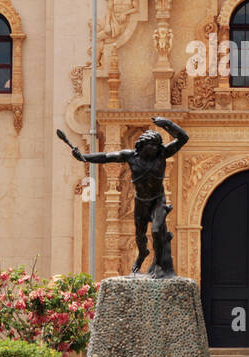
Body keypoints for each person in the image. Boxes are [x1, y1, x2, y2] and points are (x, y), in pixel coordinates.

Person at [65, 117, 189, 277]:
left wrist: (166, 123)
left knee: (157, 230)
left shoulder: (162, 154)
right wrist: (84, 157)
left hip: (158, 199)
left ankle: (159, 265)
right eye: (149, 144)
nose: (152, 148)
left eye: (155, 145)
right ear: (142, 145)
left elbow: (183, 138)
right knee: (140, 236)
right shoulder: (131, 156)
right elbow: (107, 156)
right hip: (141, 201)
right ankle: (142, 253)